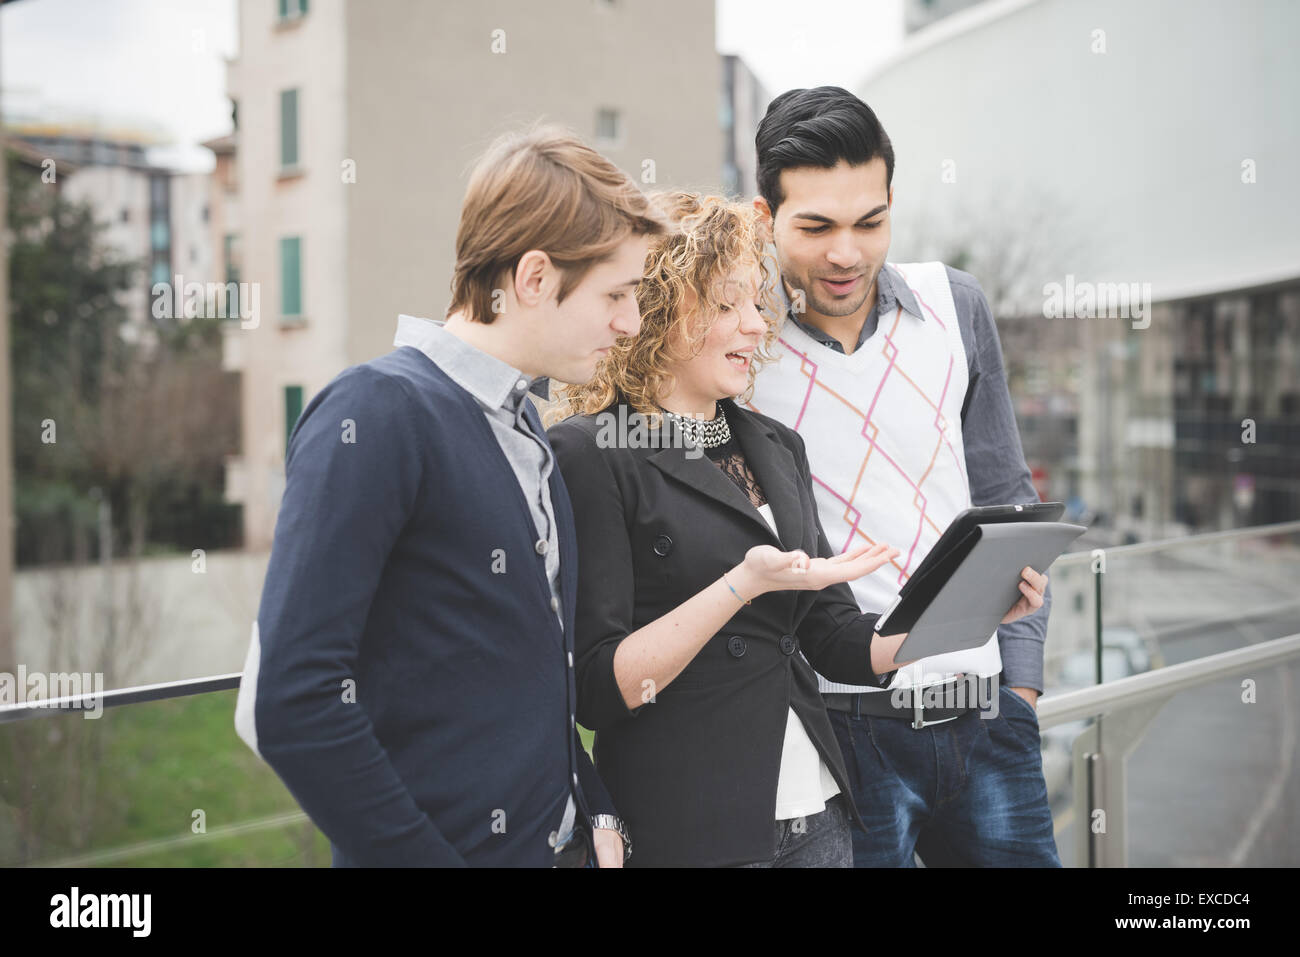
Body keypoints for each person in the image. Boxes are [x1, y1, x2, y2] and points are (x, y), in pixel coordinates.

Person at [545, 192, 1046, 867]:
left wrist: (968, 610)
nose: (757, 327)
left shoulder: (776, 446)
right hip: (690, 827)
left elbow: (835, 639)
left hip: (820, 816)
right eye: (728, 305)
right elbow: (602, 690)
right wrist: (740, 585)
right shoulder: (592, 451)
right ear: (662, 311)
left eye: (757, 302)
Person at [233, 124, 666, 867]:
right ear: (534, 278)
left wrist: (595, 814)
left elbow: (535, 677)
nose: (630, 323)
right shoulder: (374, 412)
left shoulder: (527, 424)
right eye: (617, 294)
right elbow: (285, 705)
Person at [746, 86, 1058, 867]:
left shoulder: (956, 305)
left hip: (987, 714)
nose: (846, 253)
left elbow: (1004, 495)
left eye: (870, 222)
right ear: (765, 218)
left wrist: (1020, 688)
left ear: (892, 202)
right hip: (842, 729)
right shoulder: (738, 348)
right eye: (816, 226)